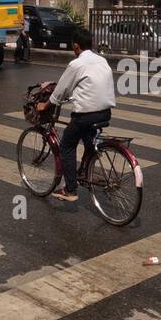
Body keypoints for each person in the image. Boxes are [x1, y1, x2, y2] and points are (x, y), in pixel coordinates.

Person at [36, 27, 116, 202]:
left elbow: (61, 90)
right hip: (105, 112)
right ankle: (89, 169)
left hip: (86, 115)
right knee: (89, 140)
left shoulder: (76, 63)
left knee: (66, 145)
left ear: (76, 46)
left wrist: (46, 104)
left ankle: (70, 189)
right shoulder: (102, 60)